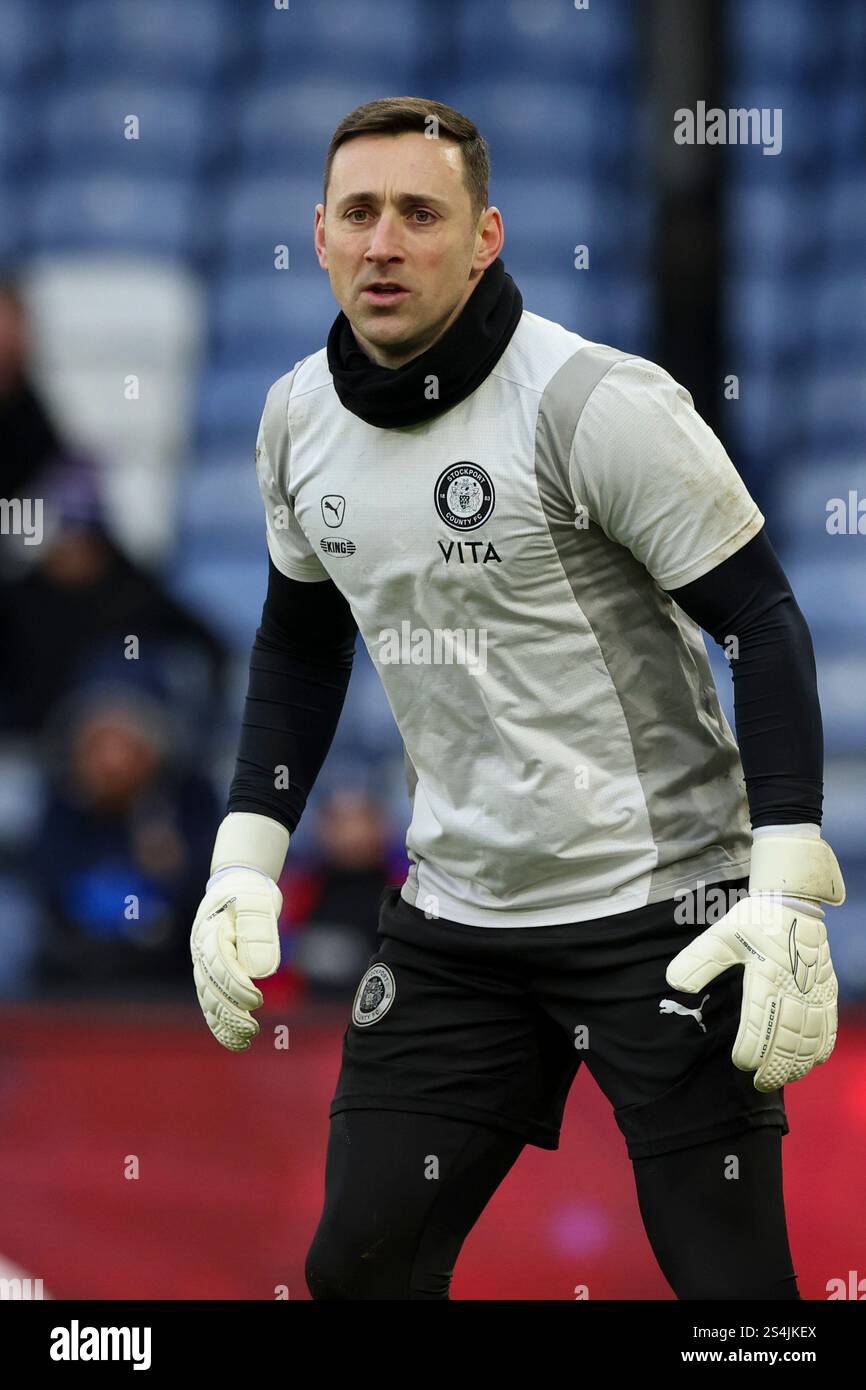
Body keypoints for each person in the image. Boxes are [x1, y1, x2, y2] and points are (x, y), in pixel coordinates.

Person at [190, 98, 845, 1300]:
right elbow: (299, 645)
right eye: (358, 214)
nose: (384, 243)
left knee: (737, 1298)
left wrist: (784, 879)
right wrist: (245, 859)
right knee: (358, 1271)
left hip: (663, 904)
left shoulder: (594, 402)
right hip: (458, 916)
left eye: (419, 213)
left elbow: (760, 620)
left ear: (484, 237)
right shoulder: (294, 418)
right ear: (319, 235)